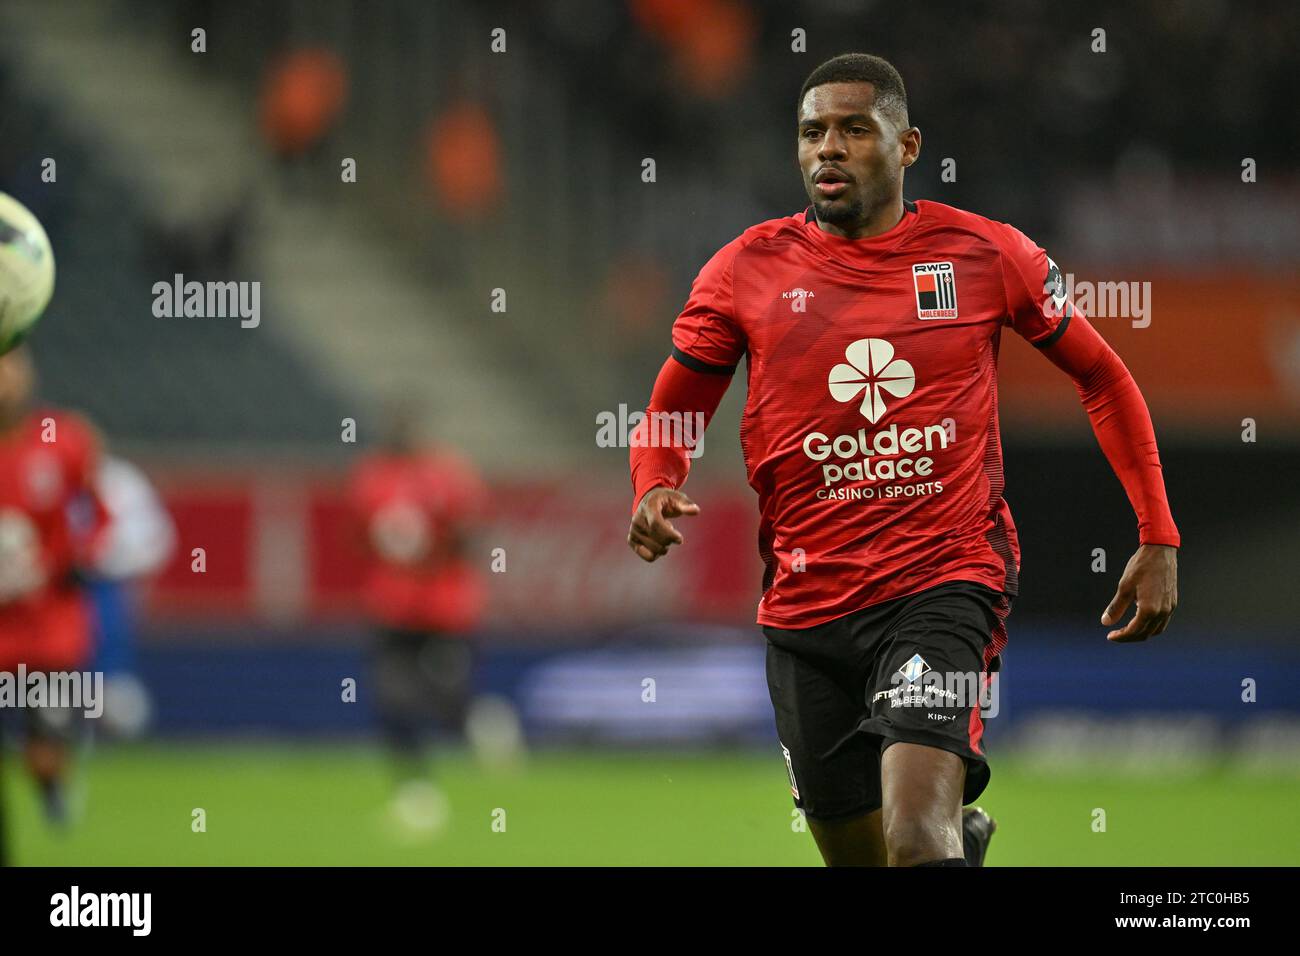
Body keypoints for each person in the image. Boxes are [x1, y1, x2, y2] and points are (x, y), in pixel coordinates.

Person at [626, 53, 1179, 867]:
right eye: (813, 132)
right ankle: (967, 841)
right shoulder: (746, 269)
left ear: (908, 144)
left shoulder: (986, 256)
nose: (829, 150)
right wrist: (655, 481)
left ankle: (946, 836)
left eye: (855, 130)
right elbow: (676, 403)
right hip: (806, 605)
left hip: (945, 582)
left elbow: (1104, 376)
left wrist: (1157, 532)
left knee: (915, 840)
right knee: (865, 859)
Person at [347, 402, 489, 835]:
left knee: (446, 694)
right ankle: (416, 792)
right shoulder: (370, 478)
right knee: (393, 696)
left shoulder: (445, 474)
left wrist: (434, 556)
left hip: (444, 606)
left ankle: (476, 720)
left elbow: (471, 533)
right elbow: (359, 538)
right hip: (392, 607)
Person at [0, 346, 107, 835]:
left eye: (14, 363)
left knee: (44, 751)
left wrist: (83, 555)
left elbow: (102, 513)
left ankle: (52, 782)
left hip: (48, 628)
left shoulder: (63, 440)